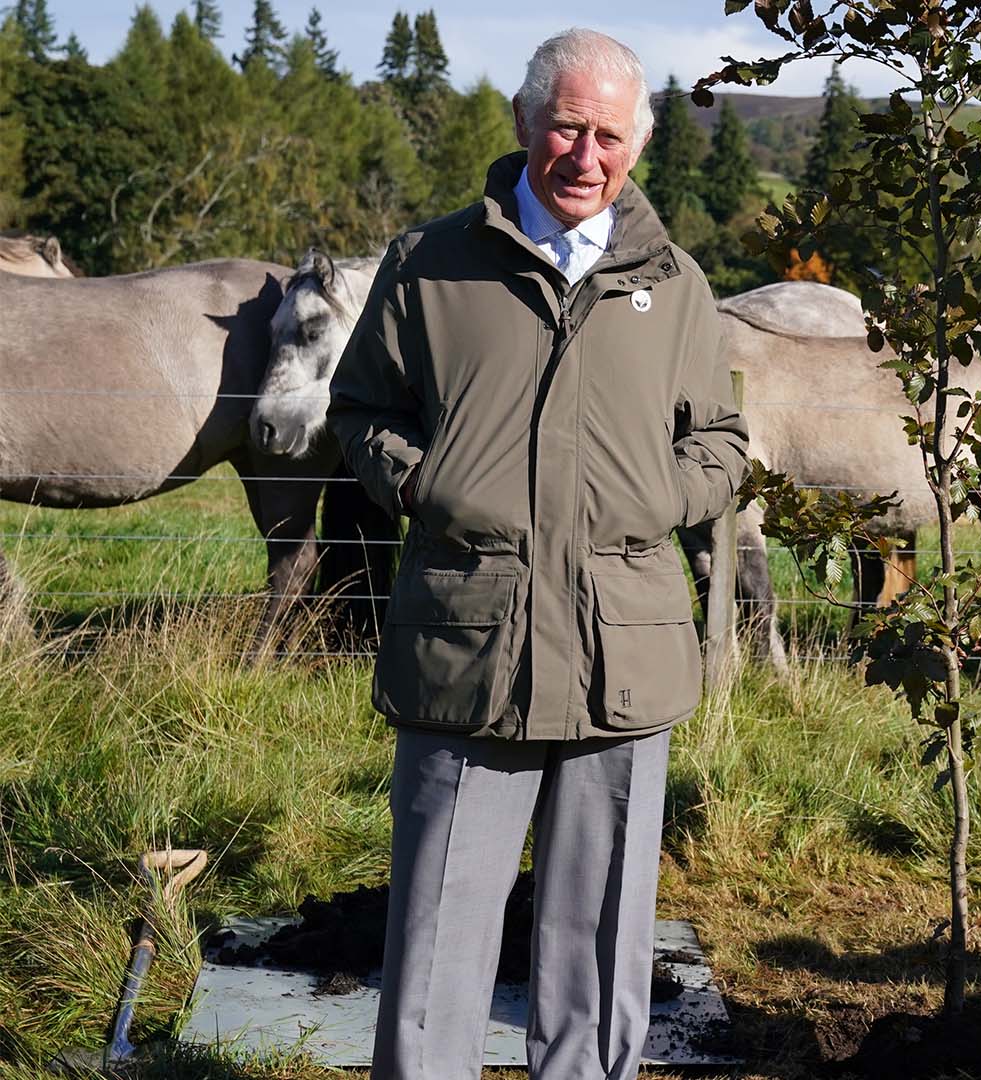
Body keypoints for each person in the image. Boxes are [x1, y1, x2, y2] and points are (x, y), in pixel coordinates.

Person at [327, 28, 748, 1080]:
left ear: (636, 146)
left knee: (601, 944)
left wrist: (657, 497)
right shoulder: (430, 266)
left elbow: (722, 441)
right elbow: (363, 408)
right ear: (523, 126)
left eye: (609, 134)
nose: (586, 154)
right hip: (468, 647)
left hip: (625, 652)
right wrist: (424, 482)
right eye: (567, 126)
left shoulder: (676, 283)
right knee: (433, 946)